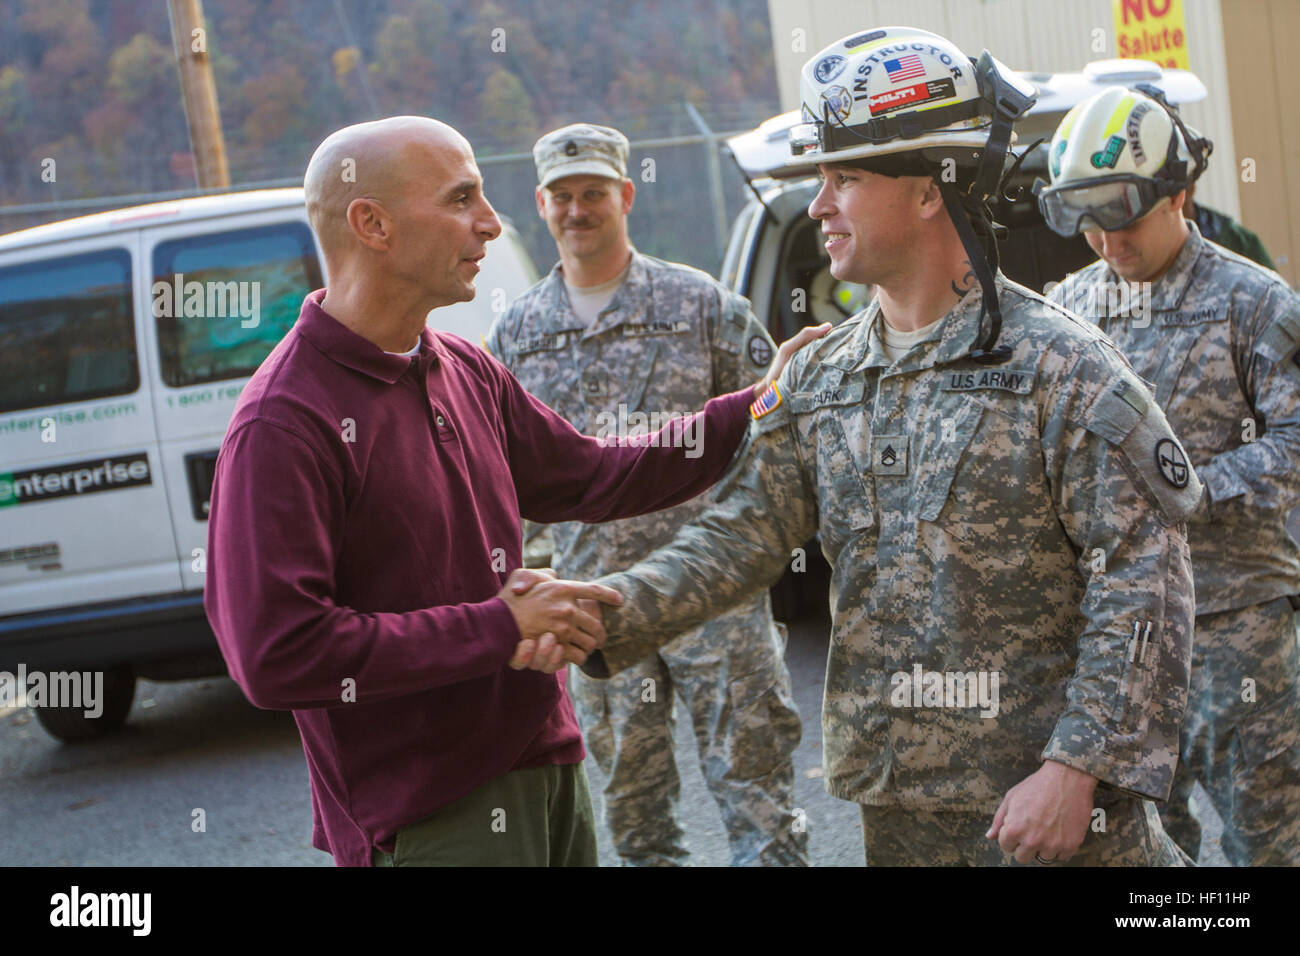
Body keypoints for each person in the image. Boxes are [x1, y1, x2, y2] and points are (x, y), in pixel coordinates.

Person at [576, 26, 1203, 866]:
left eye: (847, 178)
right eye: (819, 179)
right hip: (897, 809)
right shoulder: (819, 377)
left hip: (1052, 823)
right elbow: (738, 537)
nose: (820, 204)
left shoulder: (1063, 366)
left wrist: (1078, 766)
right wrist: (597, 610)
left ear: (928, 192)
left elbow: (1144, 579)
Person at [202, 115, 823, 867]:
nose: (491, 224)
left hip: (544, 766)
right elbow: (277, 654)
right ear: (372, 224)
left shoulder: (463, 367)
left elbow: (596, 474)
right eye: (462, 199)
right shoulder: (283, 422)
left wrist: (763, 400)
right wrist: (498, 626)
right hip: (432, 811)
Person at [485, 123, 809, 867]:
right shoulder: (517, 335)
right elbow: (506, 479)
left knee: (761, 812)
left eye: (593, 192)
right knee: (636, 826)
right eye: (562, 196)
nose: (577, 210)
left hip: (711, 600)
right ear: (540, 203)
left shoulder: (700, 306)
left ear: (625, 195)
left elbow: (770, 422)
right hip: (593, 608)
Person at [1040, 85, 1300, 866]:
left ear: (1181, 193)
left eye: (1125, 222)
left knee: (1268, 835)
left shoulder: (1254, 302)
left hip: (1235, 622)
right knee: (1140, 846)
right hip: (1122, 636)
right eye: (1088, 226)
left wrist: (1189, 491)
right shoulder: (1068, 310)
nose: (1107, 245)